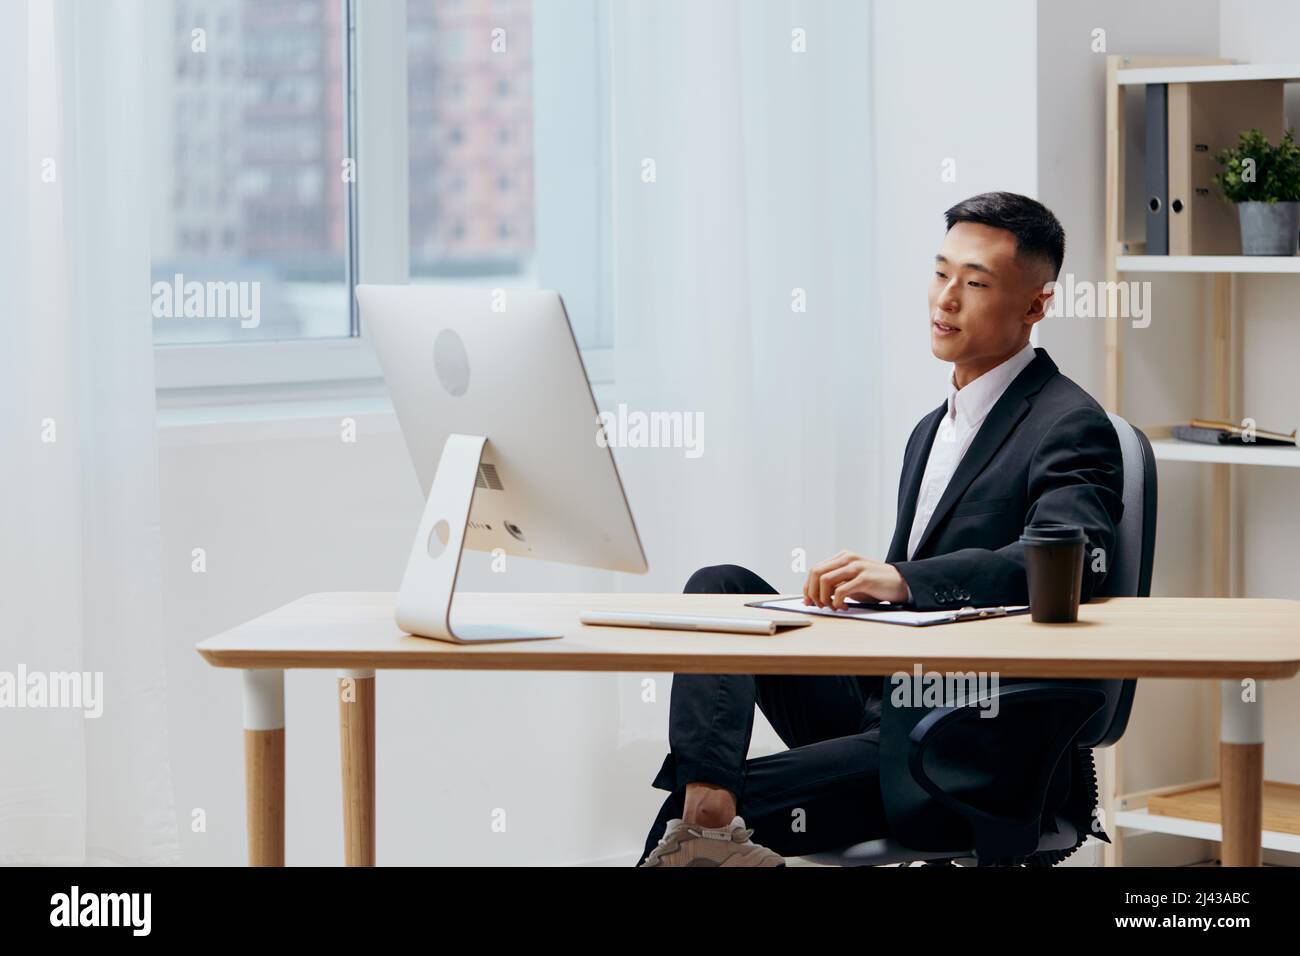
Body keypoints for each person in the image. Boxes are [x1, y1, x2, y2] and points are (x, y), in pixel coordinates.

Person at [639, 192, 1125, 867]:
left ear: (1036, 306)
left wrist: (902, 580)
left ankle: (709, 821)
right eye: (940, 273)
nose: (946, 299)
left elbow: (1073, 559)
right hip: (883, 702)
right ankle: (711, 809)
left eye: (976, 282)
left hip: (961, 735)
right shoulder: (933, 431)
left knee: (683, 827)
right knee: (717, 588)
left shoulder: (1069, 423)